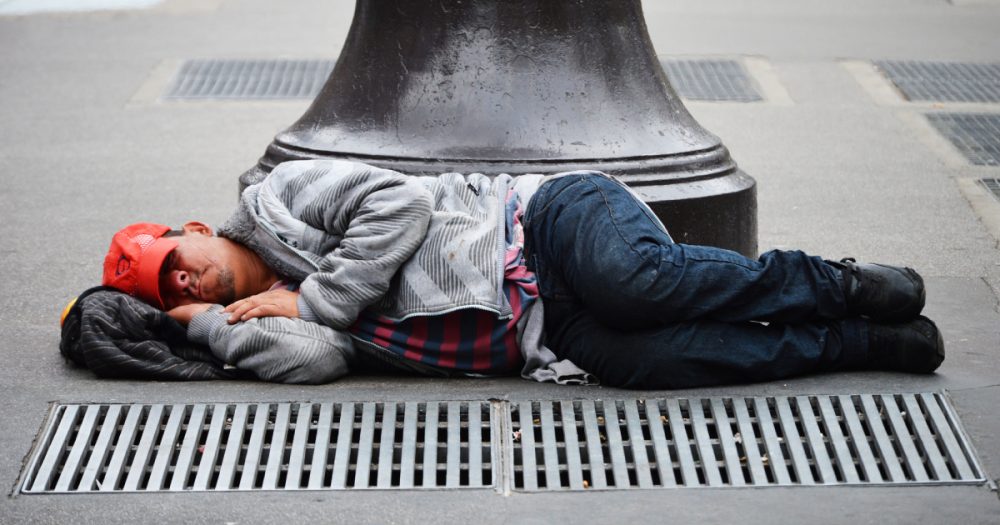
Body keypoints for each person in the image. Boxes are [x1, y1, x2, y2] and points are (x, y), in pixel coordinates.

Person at [100, 160, 944, 388]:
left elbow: (398, 205)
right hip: (543, 333)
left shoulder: (281, 198)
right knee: (651, 364)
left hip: (542, 226)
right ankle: (852, 341)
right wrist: (211, 330)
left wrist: (317, 295)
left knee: (637, 285)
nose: (181, 283)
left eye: (174, 263)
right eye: (163, 292)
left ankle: (834, 284)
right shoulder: (254, 315)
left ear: (198, 230)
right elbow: (319, 360)